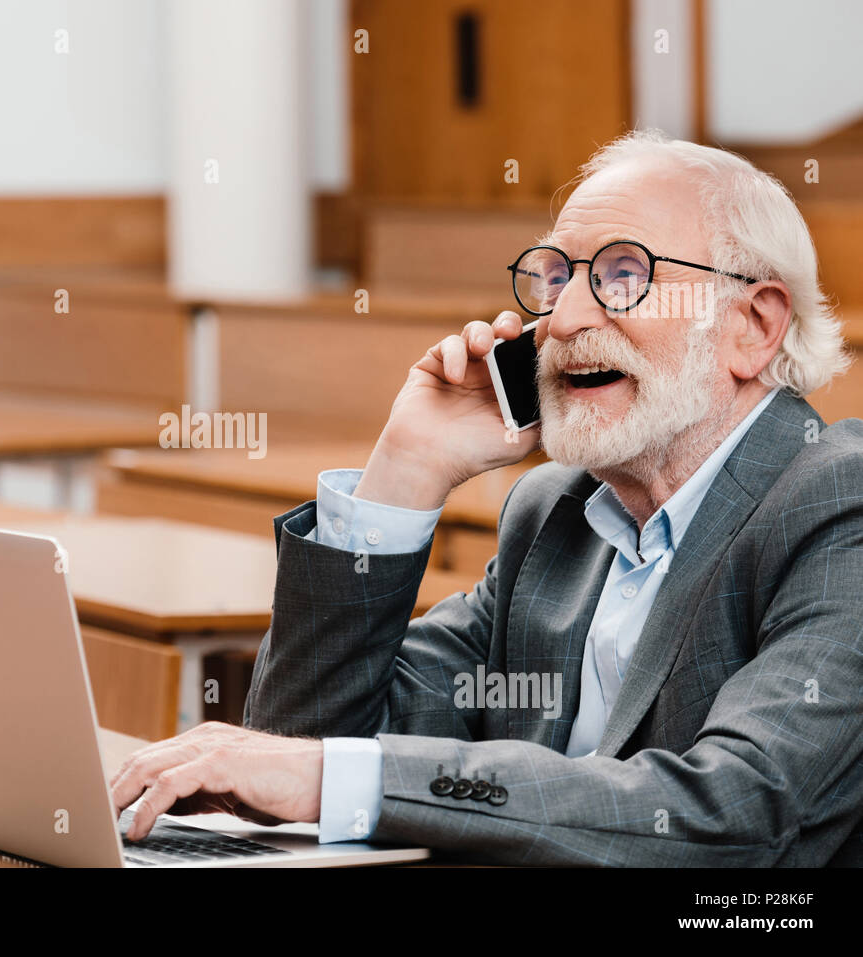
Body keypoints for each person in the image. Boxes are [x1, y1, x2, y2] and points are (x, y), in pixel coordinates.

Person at [109, 130, 862, 866]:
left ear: (754, 326)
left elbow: (737, 812)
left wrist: (329, 776)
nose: (561, 320)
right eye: (556, 278)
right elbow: (303, 736)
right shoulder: (557, 516)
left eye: (622, 274)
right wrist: (406, 471)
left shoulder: (837, 505)